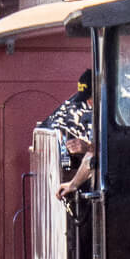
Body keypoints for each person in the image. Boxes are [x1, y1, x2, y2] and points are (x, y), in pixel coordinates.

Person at [39, 70, 94, 200]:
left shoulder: (127, 108)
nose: (88, 103)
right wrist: (73, 184)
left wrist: (89, 147)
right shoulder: (99, 113)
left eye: (90, 97)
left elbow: (122, 150)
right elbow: (91, 156)